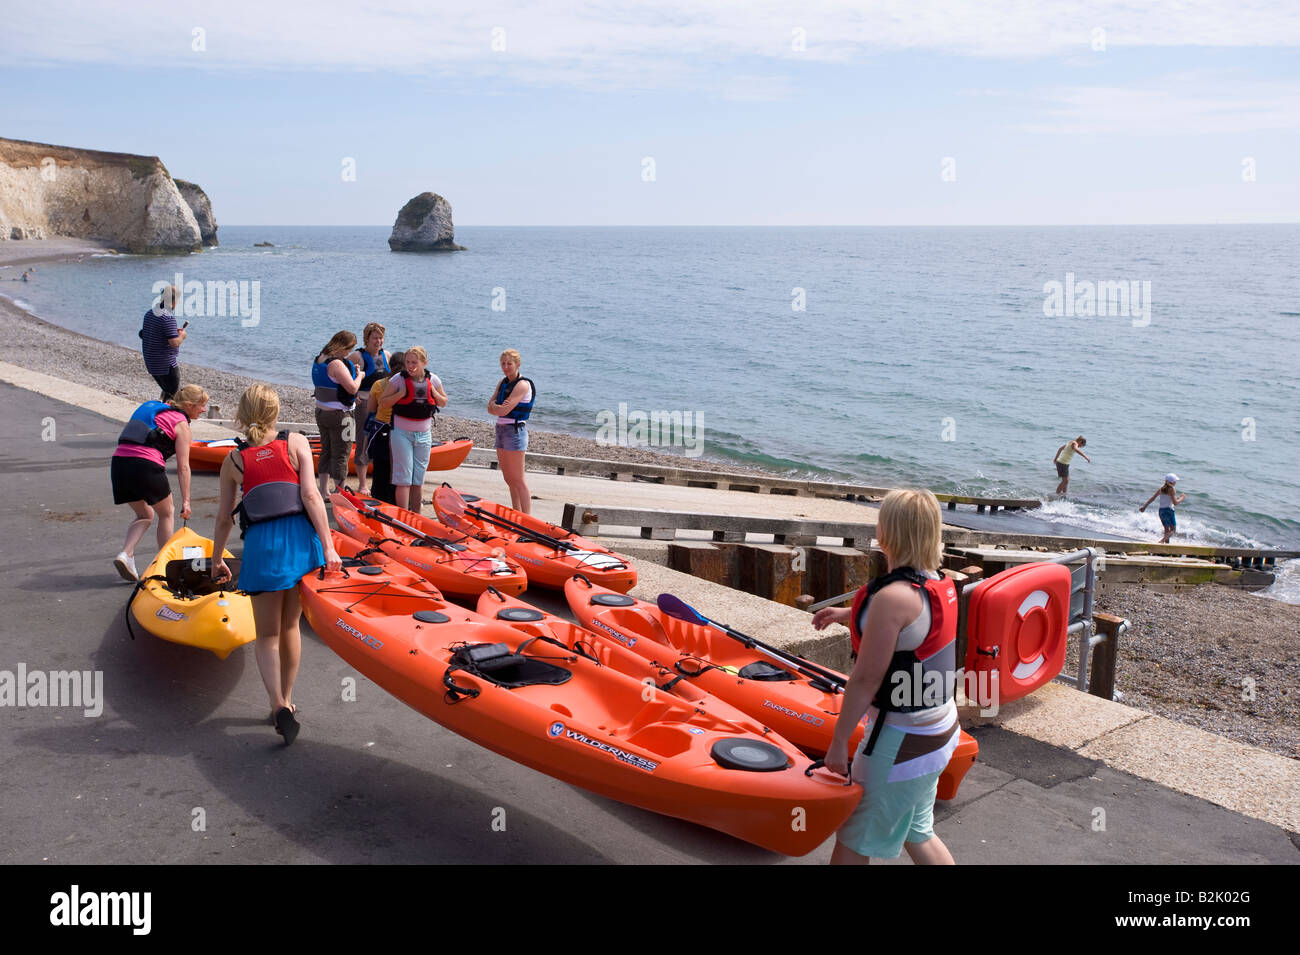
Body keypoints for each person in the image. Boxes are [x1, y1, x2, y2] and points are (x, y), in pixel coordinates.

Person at [812, 488, 958, 866]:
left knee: (855, 835)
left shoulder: (892, 598)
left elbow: (865, 680)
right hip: (939, 728)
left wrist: (838, 742)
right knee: (917, 830)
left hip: (901, 742)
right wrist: (849, 615)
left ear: (887, 533)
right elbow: (913, 629)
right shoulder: (937, 582)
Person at [211, 385, 339, 745]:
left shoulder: (233, 461)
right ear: (275, 411)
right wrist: (329, 546)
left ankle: (276, 704)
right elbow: (311, 496)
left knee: (266, 635)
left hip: (262, 547)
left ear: (242, 412)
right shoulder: (295, 442)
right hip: (300, 542)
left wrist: (218, 557)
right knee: (290, 627)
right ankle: (289, 699)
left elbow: (224, 519)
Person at [110, 384, 209, 581]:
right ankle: (166, 570)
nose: (204, 410)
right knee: (167, 513)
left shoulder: (152, 407)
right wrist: (187, 501)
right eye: (202, 405)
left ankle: (126, 554)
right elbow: (183, 467)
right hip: (146, 465)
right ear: (189, 405)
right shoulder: (182, 424)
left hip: (119, 463)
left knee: (144, 514)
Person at [378, 346, 447, 514]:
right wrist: (400, 394)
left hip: (423, 434)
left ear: (424, 363)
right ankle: (402, 514)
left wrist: (434, 393)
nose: (410, 366)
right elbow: (383, 402)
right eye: (408, 362)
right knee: (403, 478)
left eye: (414, 362)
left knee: (418, 479)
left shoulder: (434, 380)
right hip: (401, 433)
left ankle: (416, 514)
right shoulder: (398, 380)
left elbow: (443, 401)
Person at [311, 331, 364, 499]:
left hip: (321, 412)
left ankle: (324, 490)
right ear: (342, 346)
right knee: (342, 453)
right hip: (340, 416)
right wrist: (360, 376)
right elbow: (352, 388)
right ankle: (339, 491)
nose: (348, 354)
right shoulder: (336, 364)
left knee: (326, 450)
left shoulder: (320, 358)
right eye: (348, 350)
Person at [487, 348, 534, 513]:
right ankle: (516, 512)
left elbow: (502, 410)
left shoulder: (522, 385)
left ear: (518, 364)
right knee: (508, 478)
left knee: (518, 479)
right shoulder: (503, 382)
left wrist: (497, 408)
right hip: (501, 430)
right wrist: (497, 408)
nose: (506, 367)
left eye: (509, 364)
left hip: (515, 431)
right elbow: (490, 406)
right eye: (503, 364)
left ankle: (527, 518)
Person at [348, 322, 391, 495]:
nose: (378, 341)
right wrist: (353, 396)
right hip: (365, 404)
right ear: (367, 338)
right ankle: (362, 485)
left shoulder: (386, 355)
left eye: (381, 338)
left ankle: (383, 480)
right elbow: (343, 378)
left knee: (384, 440)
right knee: (363, 441)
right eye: (375, 338)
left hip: (383, 406)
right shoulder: (357, 356)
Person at [363, 349, 404, 505]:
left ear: (389, 365)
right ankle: (395, 501)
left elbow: (372, 409)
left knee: (380, 469)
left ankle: (378, 501)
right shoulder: (406, 386)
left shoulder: (379, 384)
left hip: (381, 430)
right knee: (398, 471)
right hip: (401, 430)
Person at [140, 285, 186, 400]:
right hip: (165, 365)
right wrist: (182, 336)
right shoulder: (167, 316)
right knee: (173, 396)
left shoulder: (150, 313)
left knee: (167, 392)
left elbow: (143, 334)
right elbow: (174, 343)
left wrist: (170, 332)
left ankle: (162, 414)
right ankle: (167, 417)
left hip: (152, 362)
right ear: (174, 301)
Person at [1140, 473, 1186, 544]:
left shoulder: (1161, 489)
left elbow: (1152, 498)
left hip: (1161, 511)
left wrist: (1144, 507)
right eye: (1175, 481)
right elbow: (1175, 503)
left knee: (1166, 530)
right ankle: (1161, 541)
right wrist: (1182, 497)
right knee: (1173, 530)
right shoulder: (1172, 490)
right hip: (1169, 510)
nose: (1176, 482)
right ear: (1173, 482)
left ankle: (1166, 546)